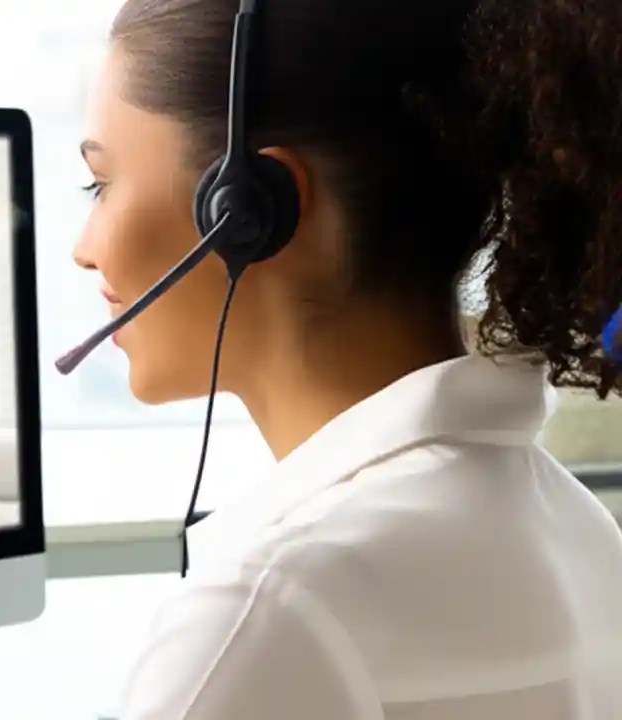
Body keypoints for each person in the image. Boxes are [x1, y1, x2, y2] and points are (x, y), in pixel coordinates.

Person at [72, 0, 622, 717]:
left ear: (249, 212)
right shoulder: (581, 533)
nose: (83, 248)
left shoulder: (264, 617)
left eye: (101, 185)